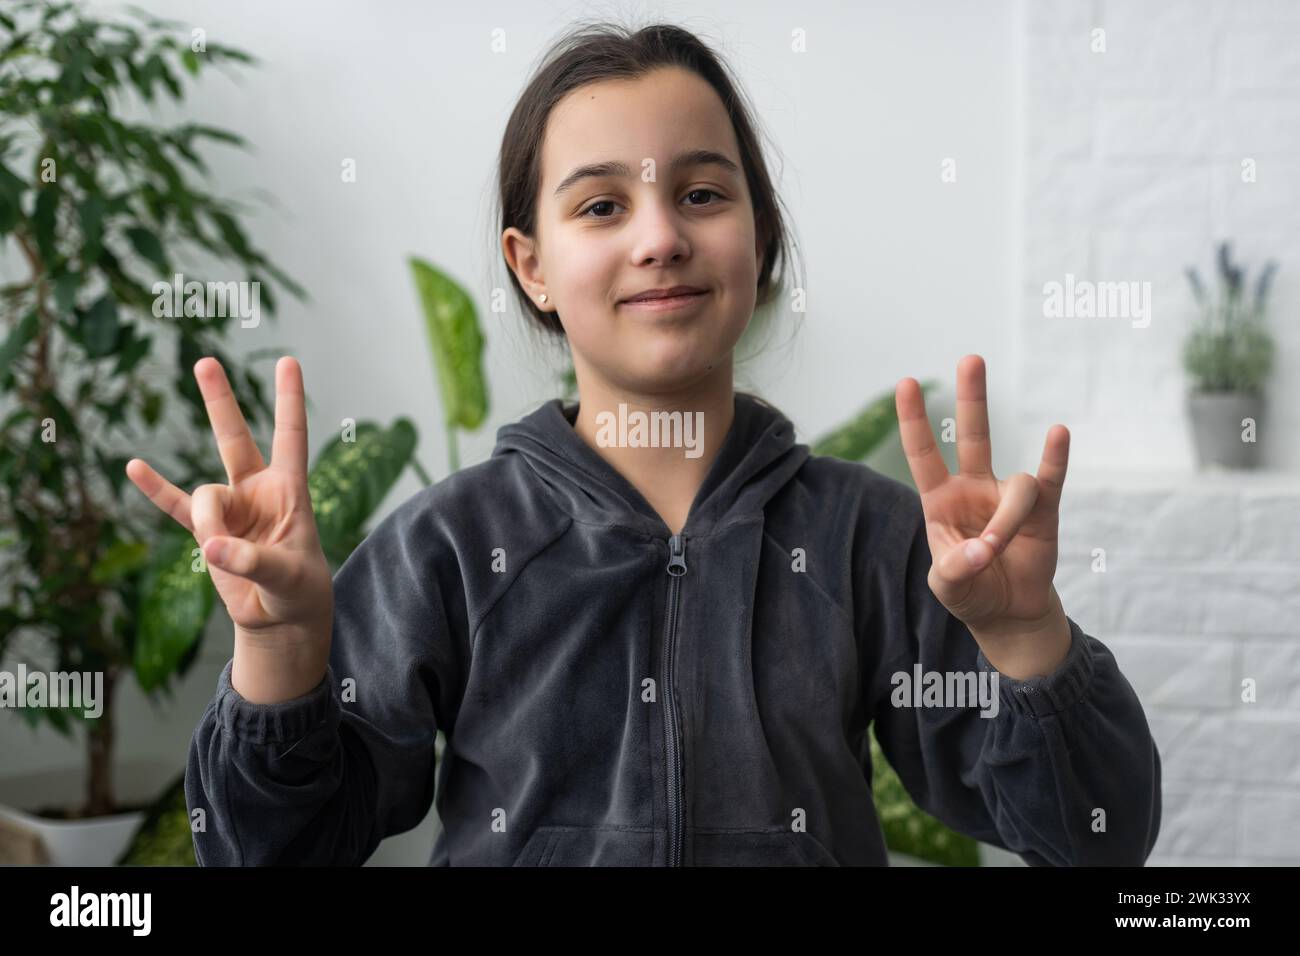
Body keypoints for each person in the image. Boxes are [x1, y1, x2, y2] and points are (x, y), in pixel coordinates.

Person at [126, 22, 1160, 866]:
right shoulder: (449, 540)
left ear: (760, 240)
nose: (659, 235)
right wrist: (276, 653)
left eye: (702, 194)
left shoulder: (870, 537)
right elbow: (270, 854)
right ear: (529, 265)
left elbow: (1095, 839)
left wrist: (1028, 640)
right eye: (602, 204)